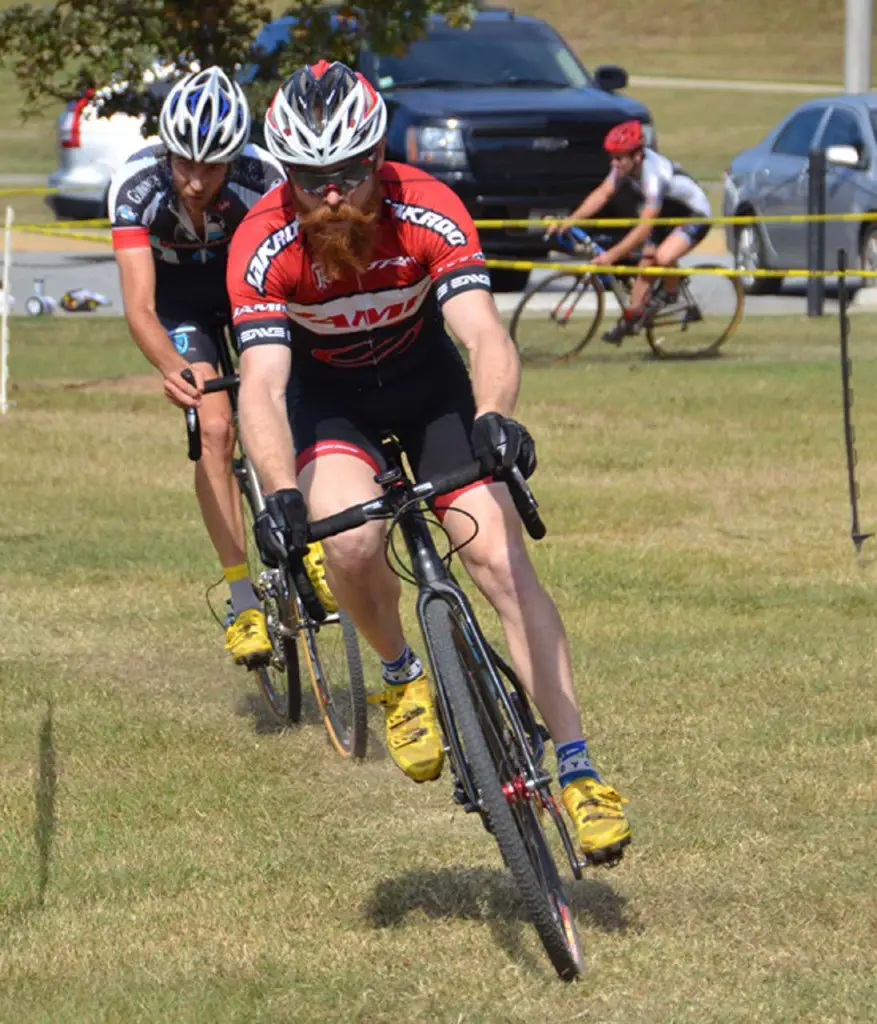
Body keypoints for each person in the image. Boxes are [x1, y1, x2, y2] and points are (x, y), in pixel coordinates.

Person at [226, 60, 631, 864]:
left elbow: (481, 331)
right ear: (286, 177)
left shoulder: (428, 207)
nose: (331, 194)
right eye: (310, 179)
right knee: (347, 542)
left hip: (429, 387)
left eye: (347, 174)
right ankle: (401, 673)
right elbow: (263, 387)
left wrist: (493, 417)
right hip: (329, 400)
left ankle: (579, 768)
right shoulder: (261, 243)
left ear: (378, 161)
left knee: (497, 556)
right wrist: (278, 493)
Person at [108, 66, 288, 666]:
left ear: (234, 157)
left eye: (210, 166)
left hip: (247, 293)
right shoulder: (136, 185)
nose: (193, 179)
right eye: (183, 162)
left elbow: (291, 283)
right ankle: (242, 598)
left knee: (288, 400)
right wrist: (173, 368)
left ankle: (303, 520)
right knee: (214, 428)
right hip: (179, 304)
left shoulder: (265, 179)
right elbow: (139, 306)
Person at [548, 119, 712, 344]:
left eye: (619, 158)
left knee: (662, 257)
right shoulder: (624, 167)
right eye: (611, 157)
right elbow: (603, 194)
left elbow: (644, 228)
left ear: (636, 156)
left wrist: (611, 256)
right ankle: (631, 319)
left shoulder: (654, 176)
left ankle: (672, 295)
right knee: (645, 266)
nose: (614, 164)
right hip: (666, 213)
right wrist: (570, 220)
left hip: (693, 214)